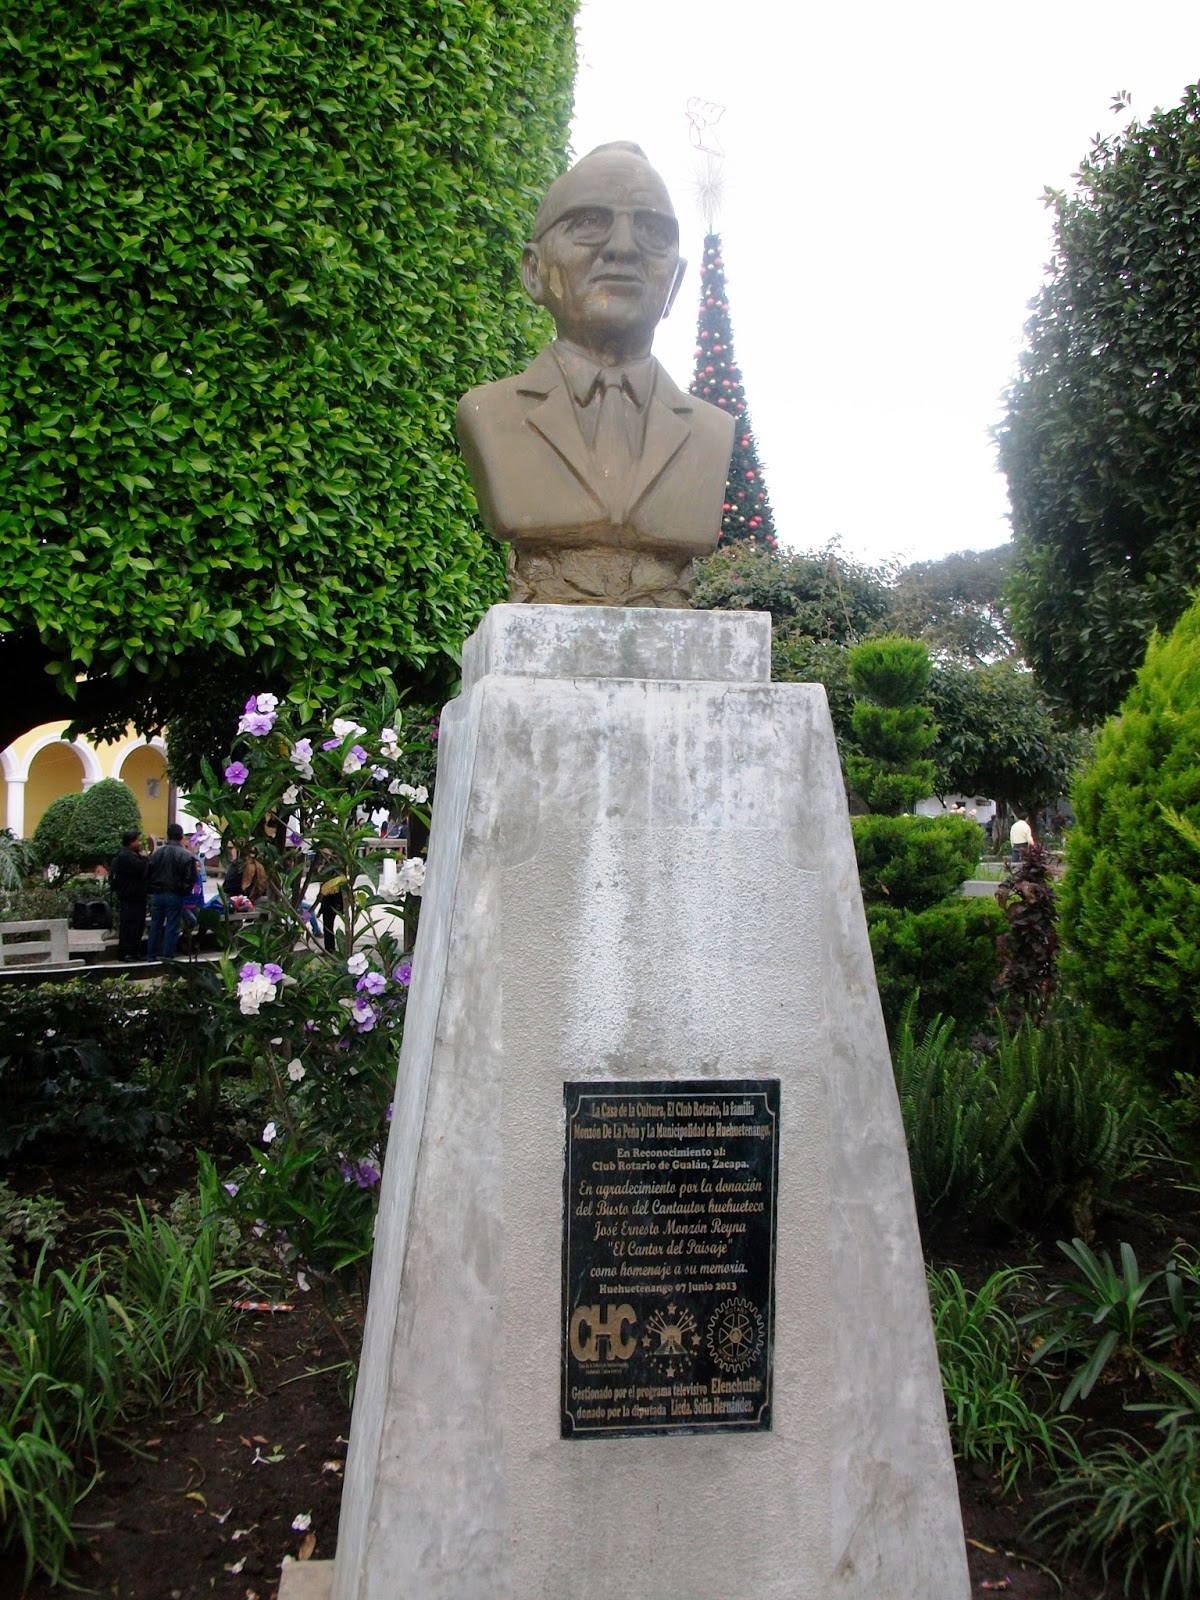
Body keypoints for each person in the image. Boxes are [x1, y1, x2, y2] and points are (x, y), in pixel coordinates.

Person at [456, 141, 734, 607]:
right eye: (588, 223)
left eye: (652, 231)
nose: (623, 248)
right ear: (533, 271)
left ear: (676, 282)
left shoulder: (713, 431)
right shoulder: (489, 414)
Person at [145, 822, 197, 959]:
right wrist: (184, 891)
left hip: (157, 893)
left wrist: (151, 889)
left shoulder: (157, 853)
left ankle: (151, 955)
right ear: (181, 837)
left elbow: (148, 873)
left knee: (155, 924)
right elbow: (190, 878)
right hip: (175, 893)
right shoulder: (186, 856)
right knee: (172, 925)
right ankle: (167, 956)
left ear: (168, 836)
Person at [109, 829, 148, 960]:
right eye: (138, 840)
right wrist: (145, 858)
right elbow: (142, 868)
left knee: (138, 925)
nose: (140, 843)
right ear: (131, 842)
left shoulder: (132, 855)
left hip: (137, 896)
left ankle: (134, 951)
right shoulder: (126, 856)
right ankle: (126, 952)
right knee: (130, 925)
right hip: (130, 896)